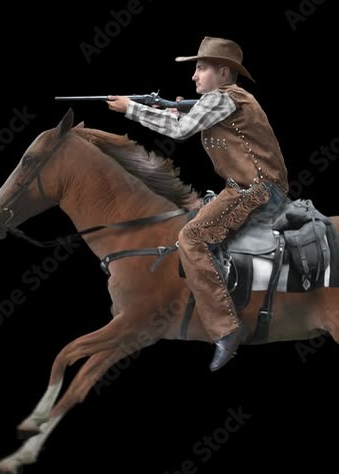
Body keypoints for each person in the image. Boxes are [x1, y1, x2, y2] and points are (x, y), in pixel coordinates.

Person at [106, 36, 289, 371]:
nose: (194, 76)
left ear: (223, 72)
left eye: (201, 68)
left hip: (255, 191)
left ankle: (225, 329)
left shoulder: (225, 97)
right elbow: (188, 116)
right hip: (245, 188)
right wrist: (172, 106)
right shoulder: (226, 100)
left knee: (191, 237)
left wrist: (131, 109)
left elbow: (180, 130)